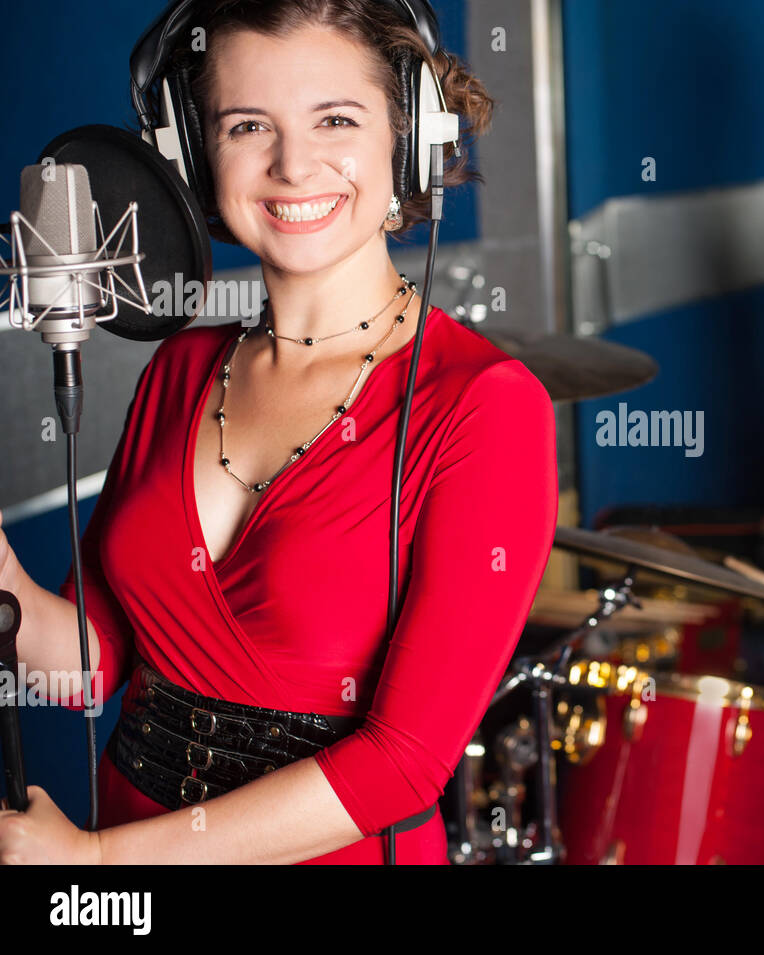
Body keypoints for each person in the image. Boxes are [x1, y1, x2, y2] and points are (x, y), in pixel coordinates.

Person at [0, 0, 557, 864]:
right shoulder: (179, 374)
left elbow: (403, 766)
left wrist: (98, 862)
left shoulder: (482, 404)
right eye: (247, 125)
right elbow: (95, 662)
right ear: (192, 152)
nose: (293, 164)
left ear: (408, 138)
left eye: (335, 118)